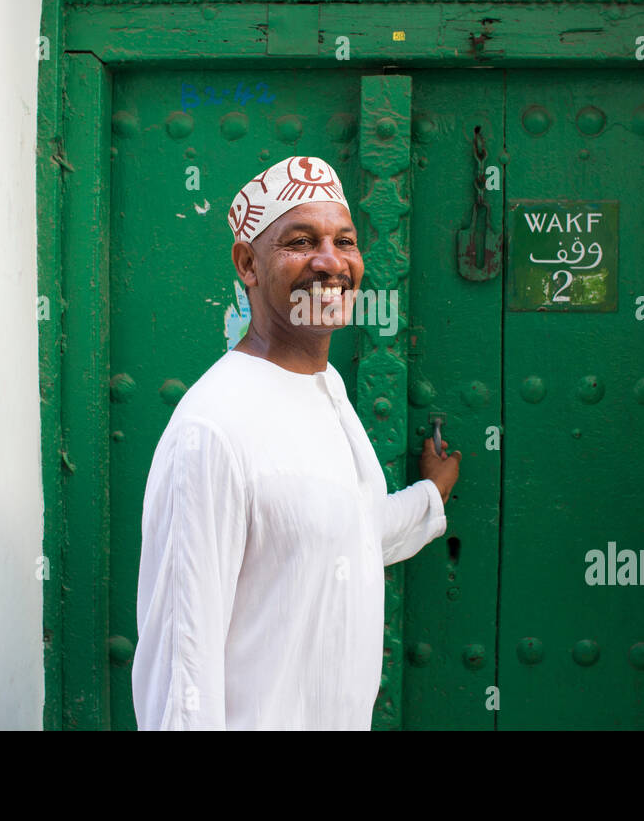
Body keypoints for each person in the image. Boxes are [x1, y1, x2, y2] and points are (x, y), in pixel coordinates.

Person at [132, 155, 462, 730]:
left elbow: (344, 531)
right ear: (248, 264)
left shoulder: (324, 387)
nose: (331, 262)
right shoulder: (213, 430)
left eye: (345, 241)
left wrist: (430, 497)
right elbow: (182, 668)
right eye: (301, 240)